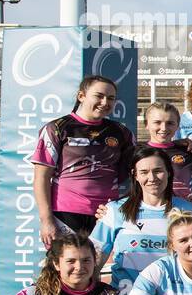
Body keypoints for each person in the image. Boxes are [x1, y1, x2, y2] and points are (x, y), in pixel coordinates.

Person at [90, 146, 192, 295]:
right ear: (135, 176)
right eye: (144, 172)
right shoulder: (115, 210)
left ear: (169, 172)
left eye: (158, 171)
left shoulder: (188, 209)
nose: (152, 178)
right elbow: (94, 256)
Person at [31, 75, 134, 245]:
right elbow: (41, 178)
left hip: (106, 213)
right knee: (67, 268)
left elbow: (136, 171)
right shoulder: (56, 128)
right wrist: (46, 219)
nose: (104, 102)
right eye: (99, 96)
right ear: (81, 96)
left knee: (103, 269)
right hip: (65, 212)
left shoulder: (122, 133)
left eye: (111, 98)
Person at [140, 102, 192, 201]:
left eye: (170, 123)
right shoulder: (136, 153)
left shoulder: (188, 151)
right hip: (147, 211)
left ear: (177, 126)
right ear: (146, 124)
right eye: (157, 122)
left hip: (181, 211)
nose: (163, 128)